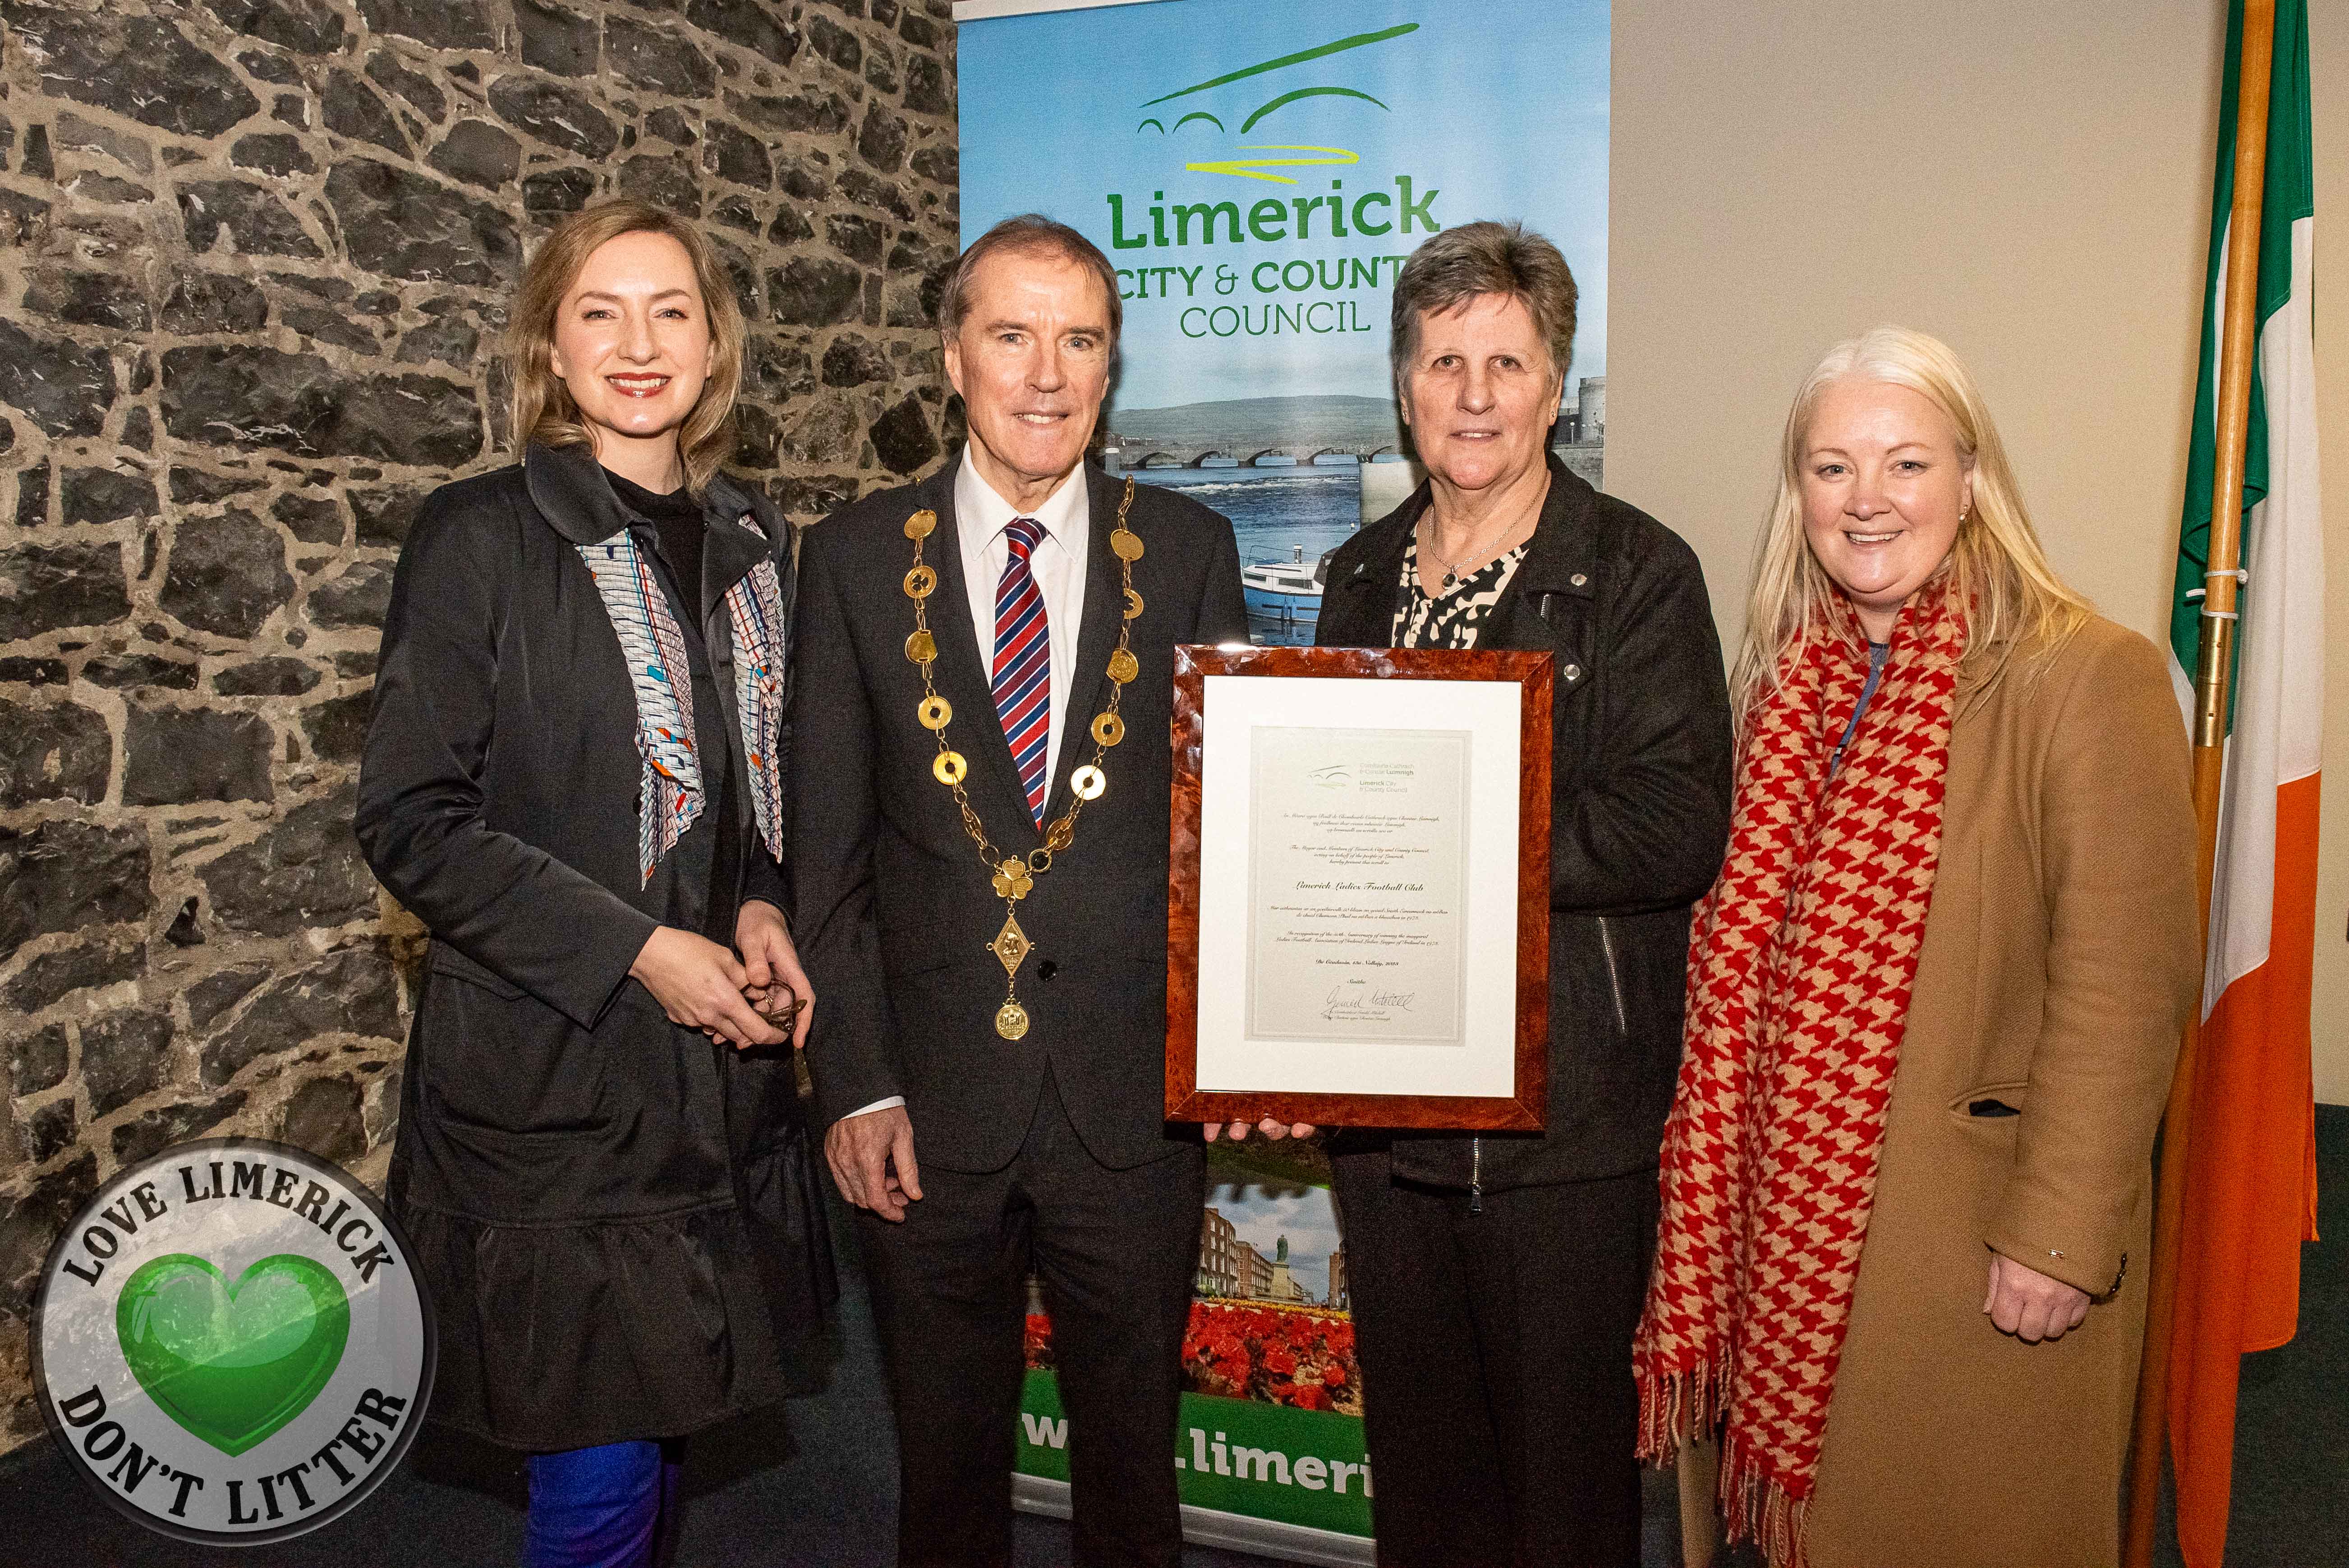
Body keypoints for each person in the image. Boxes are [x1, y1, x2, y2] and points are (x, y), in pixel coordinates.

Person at [1633, 326, 2202, 1568]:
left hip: (1973, 1251)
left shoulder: (2082, 677)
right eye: (1830, 468)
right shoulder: (1783, 685)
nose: (1867, 500)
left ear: (1971, 478)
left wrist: (2054, 1235)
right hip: (1784, 1235)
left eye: (1904, 462)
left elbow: (2123, 991)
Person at [356, 199, 835, 1568]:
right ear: (550, 351)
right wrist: (639, 950)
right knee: (601, 1476)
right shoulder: (479, 537)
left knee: (667, 1422)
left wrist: (755, 903)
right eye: (600, 313)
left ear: (713, 342)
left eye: (669, 310)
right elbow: (410, 818)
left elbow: (748, 799)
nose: (639, 345)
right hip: (555, 1083)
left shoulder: (756, 541)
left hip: (716, 1087)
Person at [789, 214, 1250, 1567]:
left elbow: (1224, 837)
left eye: (1080, 340)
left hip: (1131, 1105)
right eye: (1011, 336)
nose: (1045, 375)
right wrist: (857, 1081)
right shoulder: (857, 560)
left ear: (1111, 369)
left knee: (1131, 1476)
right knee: (941, 1474)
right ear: (952, 359)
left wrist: (1231, 1053)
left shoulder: (1189, 548)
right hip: (923, 1109)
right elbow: (830, 858)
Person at [1310, 221, 1734, 1566]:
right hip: (1384, 1114)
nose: (1475, 395)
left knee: (1560, 1490)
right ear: (1404, 385)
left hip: (1567, 1121)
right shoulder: (1356, 577)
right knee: (1425, 1480)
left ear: (1558, 386)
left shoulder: (1639, 572)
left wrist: (1452, 841)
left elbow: (1674, 825)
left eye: (1507, 362)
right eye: (1445, 362)